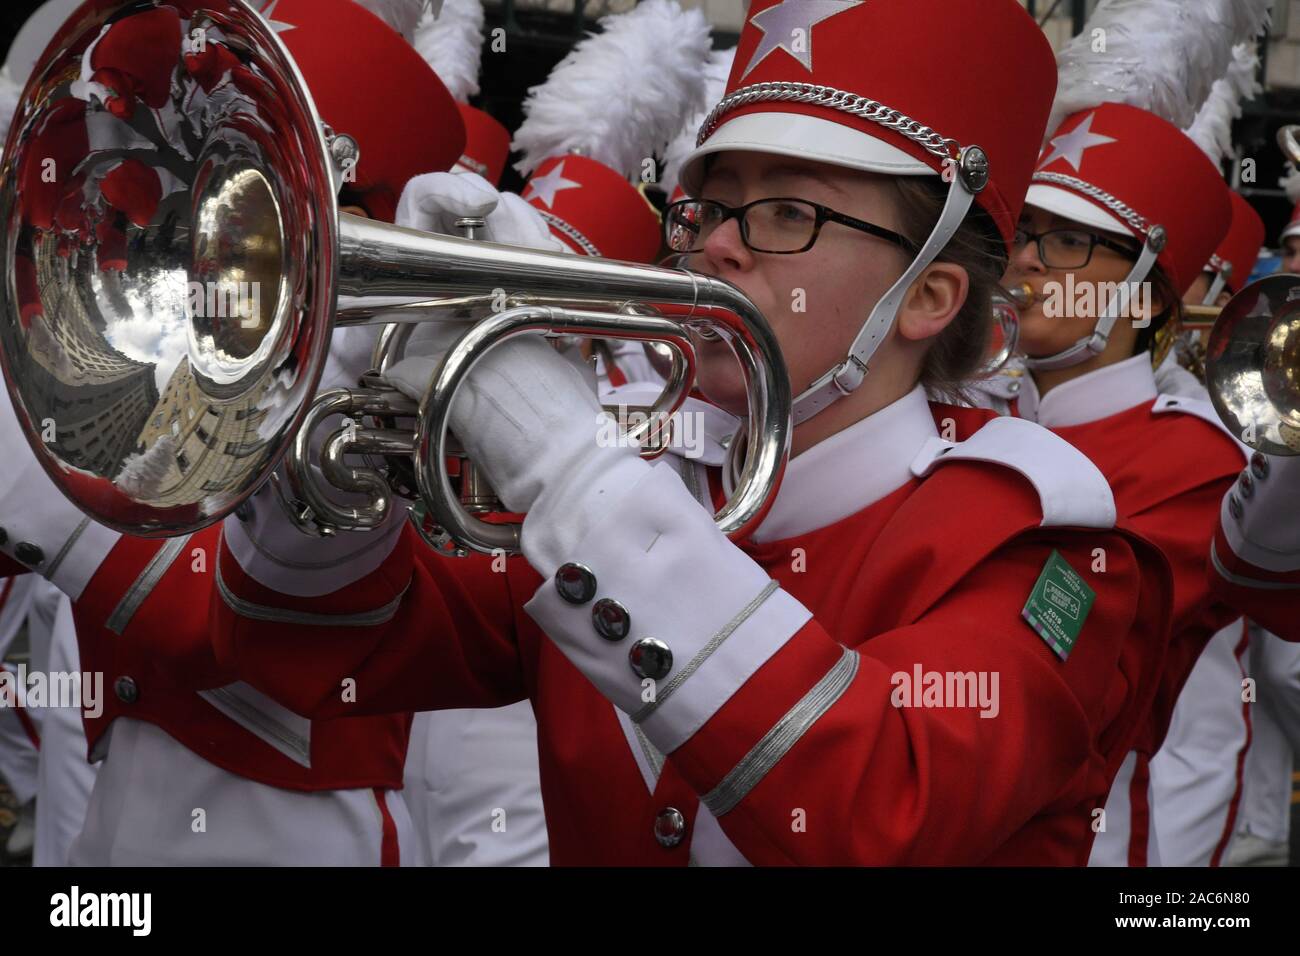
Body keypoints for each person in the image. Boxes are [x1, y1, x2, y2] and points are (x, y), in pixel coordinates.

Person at [188, 0, 1187, 865]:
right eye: (710, 202)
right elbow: (300, 647)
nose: (714, 243)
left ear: (928, 294)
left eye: (786, 212)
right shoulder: (666, 473)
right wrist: (330, 409)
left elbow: (882, 806)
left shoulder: (1052, 547)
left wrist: (568, 458)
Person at [0, 0, 466, 864]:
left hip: (296, 823)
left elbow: (209, 621)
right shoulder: (166, 350)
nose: (225, 250)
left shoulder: (399, 407)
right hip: (109, 787)